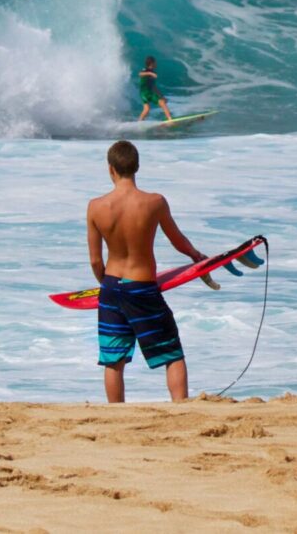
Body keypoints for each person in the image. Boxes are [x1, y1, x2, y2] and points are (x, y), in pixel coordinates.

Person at [86, 140, 207, 403]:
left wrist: (105, 286)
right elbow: (177, 240)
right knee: (171, 352)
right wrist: (196, 257)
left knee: (113, 358)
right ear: (136, 167)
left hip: (111, 286)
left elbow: (96, 260)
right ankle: (180, 408)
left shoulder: (96, 207)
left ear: (111, 169)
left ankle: (116, 412)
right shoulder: (154, 202)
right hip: (142, 287)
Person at [137, 56, 174, 122]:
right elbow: (140, 74)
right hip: (145, 92)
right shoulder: (146, 70)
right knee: (153, 107)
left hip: (147, 92)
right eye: (155, 62)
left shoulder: (153, 72)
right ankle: (170, 120)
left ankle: (139, 122)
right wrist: (150, 73)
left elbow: (154, 87)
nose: (156, 64)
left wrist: (161, 96)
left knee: (152, 107)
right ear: (152, 63)